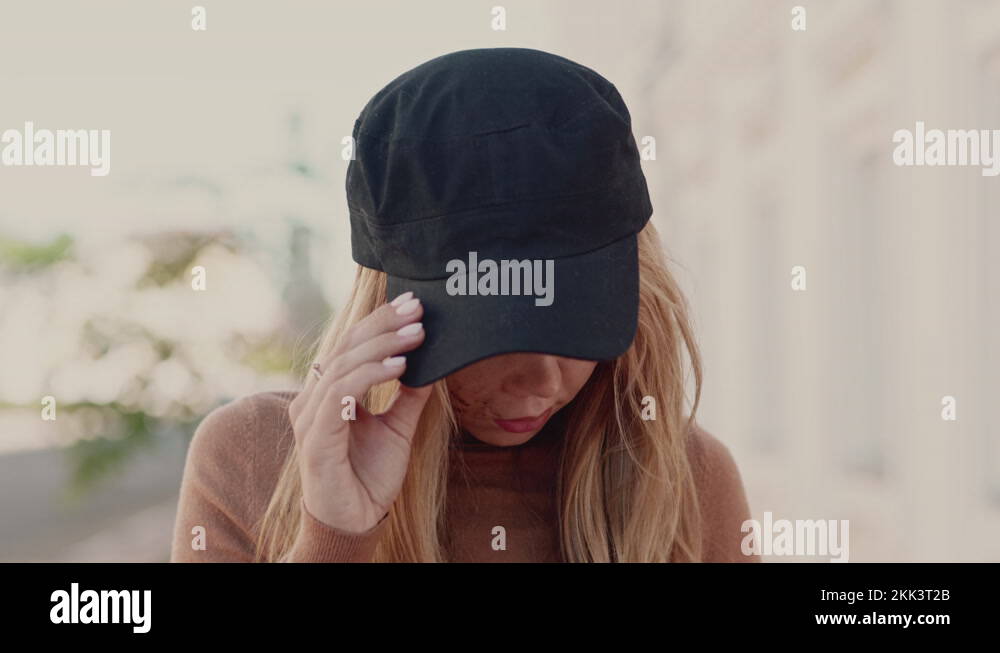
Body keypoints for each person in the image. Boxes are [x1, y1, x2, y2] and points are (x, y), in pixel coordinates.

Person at [170, 47, 758, 563]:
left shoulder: (688, 479)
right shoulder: (252, 458)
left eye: (576, 329)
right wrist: (336, 537)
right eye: (493, 335)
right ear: (390, 307)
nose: (537, 387)